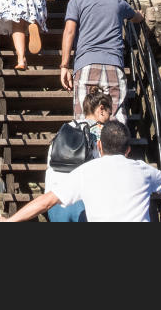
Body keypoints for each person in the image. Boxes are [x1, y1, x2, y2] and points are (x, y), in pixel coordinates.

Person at [0, 121, 161, 223]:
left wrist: (10, 222)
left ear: (99, 145)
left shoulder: (85, 171)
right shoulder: (142, 170)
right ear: (128, 150)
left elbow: (46, 202)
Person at [60, 0, 142, 123]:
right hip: (113, 65)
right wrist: (142, 14)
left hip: (86, 64)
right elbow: (136, 17)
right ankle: (115, 147)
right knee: (115, 120)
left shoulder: (76, 2)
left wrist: (64, 65)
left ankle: (88, 146)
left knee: (83, 120)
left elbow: (69, 31)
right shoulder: (117, 2)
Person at [43, 89, 114, 222]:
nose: (110, 118)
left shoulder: (65, 129)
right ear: (101, 109)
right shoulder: (102, 133)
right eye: (110, 113)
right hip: (84, 205)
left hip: (54, 201)